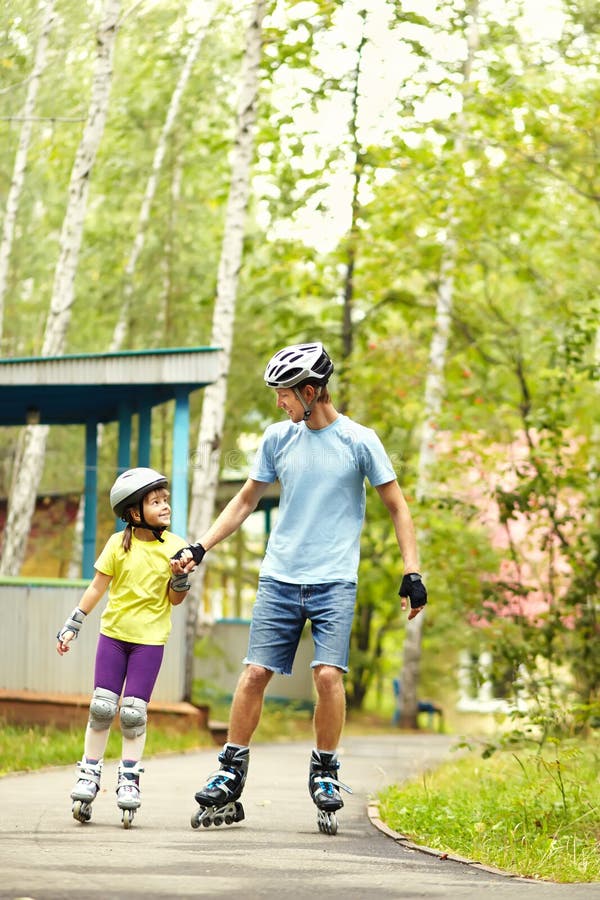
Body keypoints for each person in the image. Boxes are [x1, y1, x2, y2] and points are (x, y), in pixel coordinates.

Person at [172, 341, 428, 833]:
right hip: (280, 577)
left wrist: (412, 571)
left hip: (334, 580)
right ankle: (229, 771)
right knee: (254, 674)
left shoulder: (360, 440)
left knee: (329, 676)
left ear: (310, 391)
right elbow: (245, 502)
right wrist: (201, 547)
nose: (279, 403)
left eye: (284, 394)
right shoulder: (277, 438)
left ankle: (326, 771)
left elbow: (397, 506)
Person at [56, 467, 191, 827]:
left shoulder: (177, 547)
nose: (165, 506)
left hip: (149, 641)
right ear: (134, 512)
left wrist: (180, 578)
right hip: (113, 637)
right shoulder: (118, 544)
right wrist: (74, 623)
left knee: (133, 713)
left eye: (166, 500)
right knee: (102, 708)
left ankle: (129, 781)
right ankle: (88, 774)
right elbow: (98, 587)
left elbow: (175, 601)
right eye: (156, 501)